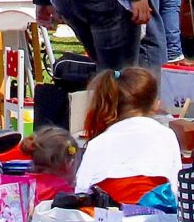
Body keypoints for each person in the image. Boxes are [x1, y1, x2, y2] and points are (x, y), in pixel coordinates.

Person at [72, 67, 180, 203]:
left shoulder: (98, 143)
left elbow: (82, 193)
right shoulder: (166, 136)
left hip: (109, 220)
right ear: (155, 104)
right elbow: (177, 189)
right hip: (158, 220)